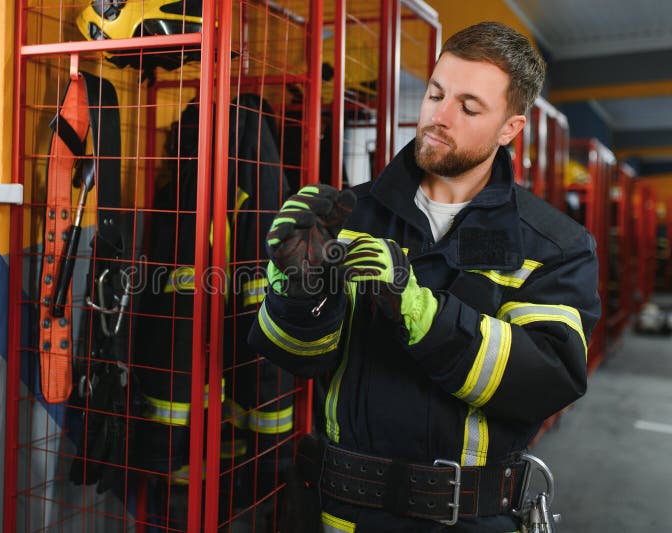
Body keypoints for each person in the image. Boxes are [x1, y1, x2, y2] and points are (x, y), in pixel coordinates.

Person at [249, 21, 601, 532]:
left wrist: (423, 312)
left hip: (467, 519)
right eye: (436, 93)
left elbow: (545, 380)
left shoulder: (553, 245)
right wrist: (295, 290)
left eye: (469, 106)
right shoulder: (350, 213)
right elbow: (299, 360)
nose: (439, 115)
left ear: (510, 129)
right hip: (341, 514)